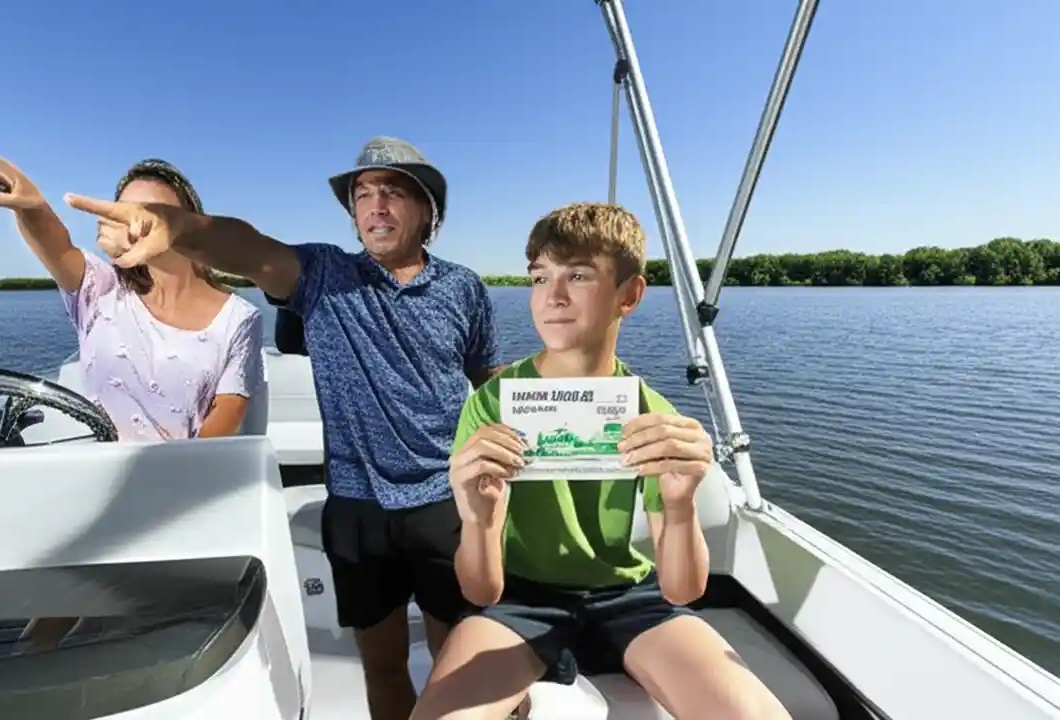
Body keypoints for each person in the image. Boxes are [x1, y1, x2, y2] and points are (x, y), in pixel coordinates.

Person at [63, 136, 505, 720]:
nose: (375, 205)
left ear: (429, 210)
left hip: (446, 499)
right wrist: (177, 227)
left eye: (393, 192)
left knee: (457, 663)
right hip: (358, 508)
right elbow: (251, 250)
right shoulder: (323, 273)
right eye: (363, 194)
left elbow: (491, 382)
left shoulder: (464, 287)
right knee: (383, 666)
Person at [409, 202, 791, 720]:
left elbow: (683, 590)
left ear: (629, 295)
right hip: (519, 598)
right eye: (540, 278)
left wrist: (680, 506)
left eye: (579, 276)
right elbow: (482, 588)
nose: (553, 297)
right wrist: (477, 517)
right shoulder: (490, 405)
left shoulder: (653, 415)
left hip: (631, 594)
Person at [0, 135, 265, 441]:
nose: (136, 222)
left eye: (152, 210)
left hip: (180, 478)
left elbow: (226, 419)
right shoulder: (100, 289)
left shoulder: (239, 318)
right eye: (125, 211)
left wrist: (172, 478)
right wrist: (23, 200)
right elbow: (56, 243)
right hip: (93, 475)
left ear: (188, 220)